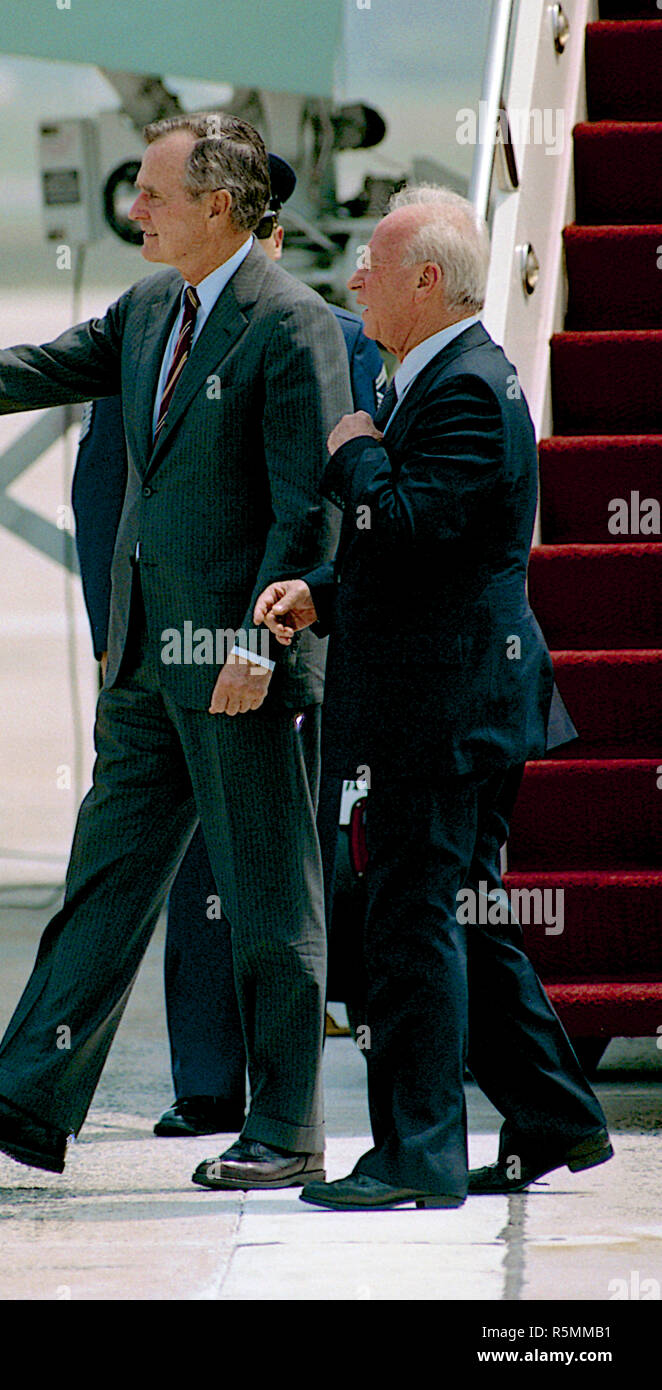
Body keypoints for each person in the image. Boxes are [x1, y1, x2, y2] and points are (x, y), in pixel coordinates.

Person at [0, 115, 352, 1190]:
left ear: (219, 207)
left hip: (236, 664)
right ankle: (31, 1097)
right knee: (103, 883)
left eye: (151, 190)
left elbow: (309, 508)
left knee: (272, 900)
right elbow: (34, 367)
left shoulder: (292, 325)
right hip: (147, 663)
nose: (132, 207)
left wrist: (261, 641)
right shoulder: (149, 310)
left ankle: (285, 1128)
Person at [255, 186, 611, 1211]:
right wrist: (321, 593)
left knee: (411, 927)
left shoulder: (458, 388)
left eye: (372, 261)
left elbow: (406, 524)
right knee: (465, 916)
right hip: (448, 697)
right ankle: (555, 1114)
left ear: (425, 280)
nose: (354, 278)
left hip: (443, 713)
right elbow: (423, 552)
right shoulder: (434, 375)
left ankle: (419, 1151)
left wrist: (354, 445)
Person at [154, 152, 386, 1138]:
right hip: (195, 653)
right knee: (205, 870)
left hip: (312, 650)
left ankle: (314, 1082)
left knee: (310, 863)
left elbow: (346, 506)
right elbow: (108, 488)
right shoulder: (163, 336)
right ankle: (209, 1082)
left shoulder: (351, 345)